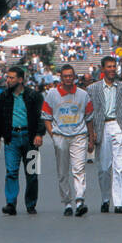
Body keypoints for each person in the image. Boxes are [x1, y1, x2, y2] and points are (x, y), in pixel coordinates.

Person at [0, 64, 46, 216]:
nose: (8, 80)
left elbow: (41, 116)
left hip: (30, 138)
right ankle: (10, 203)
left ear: (20, 80)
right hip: (11, 139)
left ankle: (31, 204)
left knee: (32, 173)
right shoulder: (3, 97)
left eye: (11, 78)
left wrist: (39, 134)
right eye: (7, 77)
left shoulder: (34, 96)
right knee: (11, 172)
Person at [43, 64, 94, 216]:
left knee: (79, 169)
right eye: (65, 76)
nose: (68, 79)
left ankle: (79, 200)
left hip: (79, 135)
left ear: (74, 77)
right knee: (62, 171)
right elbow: (46, 117)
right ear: (61, 77)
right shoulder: (52, 94)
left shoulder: (83, 95)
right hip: (60, 136)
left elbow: (89, 118)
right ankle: (67, 203)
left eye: (70, 76)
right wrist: (53, 135)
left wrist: (91, 138)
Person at [88, 55, 122, 213]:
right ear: (103, 69)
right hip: (102, 127)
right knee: (104, 167)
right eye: (109, 66)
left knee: (120, 166)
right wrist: (91, 134)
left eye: (114, 66)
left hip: (119, 126)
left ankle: (119, 203)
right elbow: (89, 114)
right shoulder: (93, 89)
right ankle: (105, 199)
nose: (112, 69)